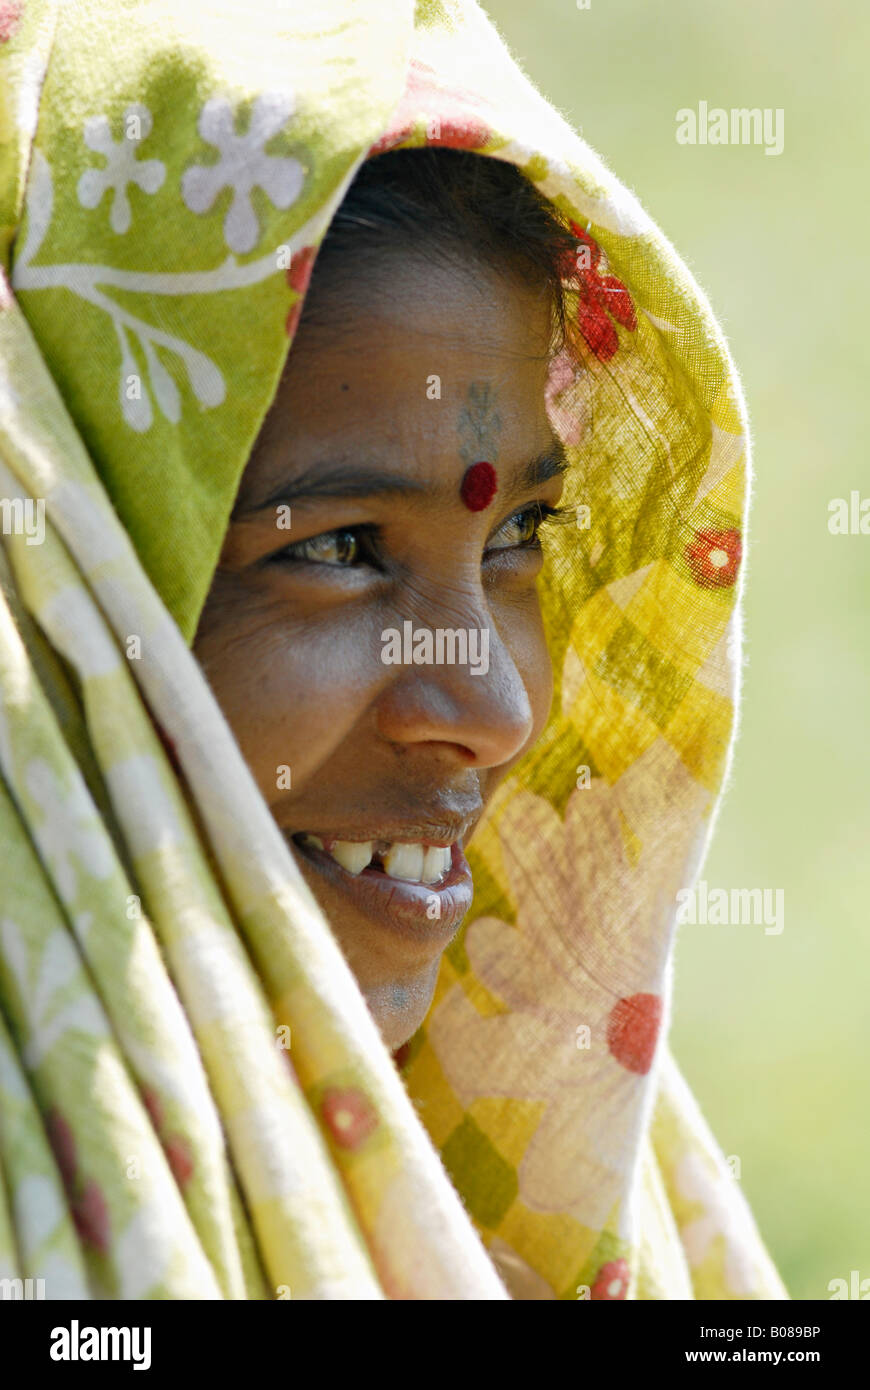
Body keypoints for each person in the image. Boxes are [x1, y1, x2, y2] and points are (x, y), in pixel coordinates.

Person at [0, 0, 787, 1299]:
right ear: (58, 577)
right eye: (342, 547)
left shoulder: (488, 1233)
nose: (491, 709)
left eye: (520, 533)